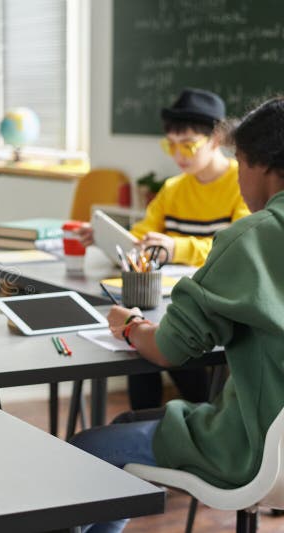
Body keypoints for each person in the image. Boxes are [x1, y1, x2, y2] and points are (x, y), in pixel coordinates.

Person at [69, 96, 284, 533]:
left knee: (85, 448)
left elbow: (169, 348)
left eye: (239, 163)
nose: (240, 178)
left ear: (262, 166)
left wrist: (129, 324)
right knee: (133, 422)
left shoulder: (252, 237)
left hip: (253, 450)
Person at [83, 88, 251, 411]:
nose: (178, 155)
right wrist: (111, 238)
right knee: (138, 342)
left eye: (188, 144)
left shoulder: (240, 182)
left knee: (167, 347)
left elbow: (235, 245)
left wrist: (177, 246)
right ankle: (144, 418)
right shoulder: (174, 188)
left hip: (209, 299)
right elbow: (142, 235)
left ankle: (197, 413)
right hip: (165, 297)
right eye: (170, 145)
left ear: (216, 140)